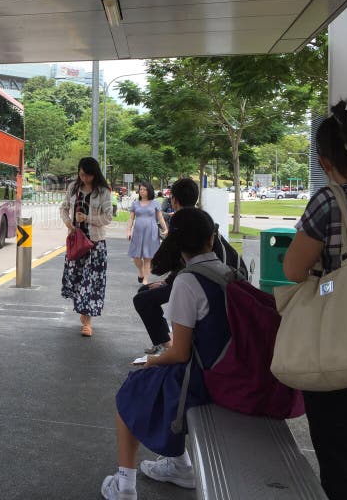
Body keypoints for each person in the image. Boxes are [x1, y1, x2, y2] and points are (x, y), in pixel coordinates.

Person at [282, 100, 347, 500]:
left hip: (338, 355)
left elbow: (293, 270)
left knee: (343, 467)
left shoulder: (329, 202)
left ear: (325, 162)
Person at [101, 208, 232, 500]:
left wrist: (152, 360)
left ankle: (124, 486)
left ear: (177, 242)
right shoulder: (227, 272)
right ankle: (181, 465)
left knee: (129, 394)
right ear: (212, 239)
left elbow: (179, 353)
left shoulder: (187, 282)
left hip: (200, 380)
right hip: (224, 372)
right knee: (156, 385)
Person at [133, 178, 246, 356]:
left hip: (205, 281)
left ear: (174, 200)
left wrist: (168, 280)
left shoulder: (182, 221)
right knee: (145, 293)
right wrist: (168, 281)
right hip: (225, 277)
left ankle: (168, 346)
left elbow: (162, 263)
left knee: (143, 298)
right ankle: (165, 341)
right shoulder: (203, 218)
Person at [60, 157, 113, 337]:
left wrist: (87, 219)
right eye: (81, 174)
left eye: (87, 175)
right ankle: (83, 313)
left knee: (90, 283)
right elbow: (63, 208)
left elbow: (108, 217)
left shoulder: (103, 191)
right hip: (76, 241)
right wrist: (68, 222)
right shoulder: (73, 187)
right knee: (77, 281)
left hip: (95, 244)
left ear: (94, 174)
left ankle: (87, 322)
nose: (84, 178)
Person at [127, 181, 168, 284]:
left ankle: (145, 279)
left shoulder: (155, 203)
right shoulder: (135, 203)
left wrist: (165, 229)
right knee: (136, 257)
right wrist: (128, 231)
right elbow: (131, 218)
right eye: (140, 189)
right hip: (137, 233)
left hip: (151, 232)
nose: (142, 191)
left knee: (148, 257)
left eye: (144, 189)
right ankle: (141, 271)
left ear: (149, 190)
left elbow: (160, 217)